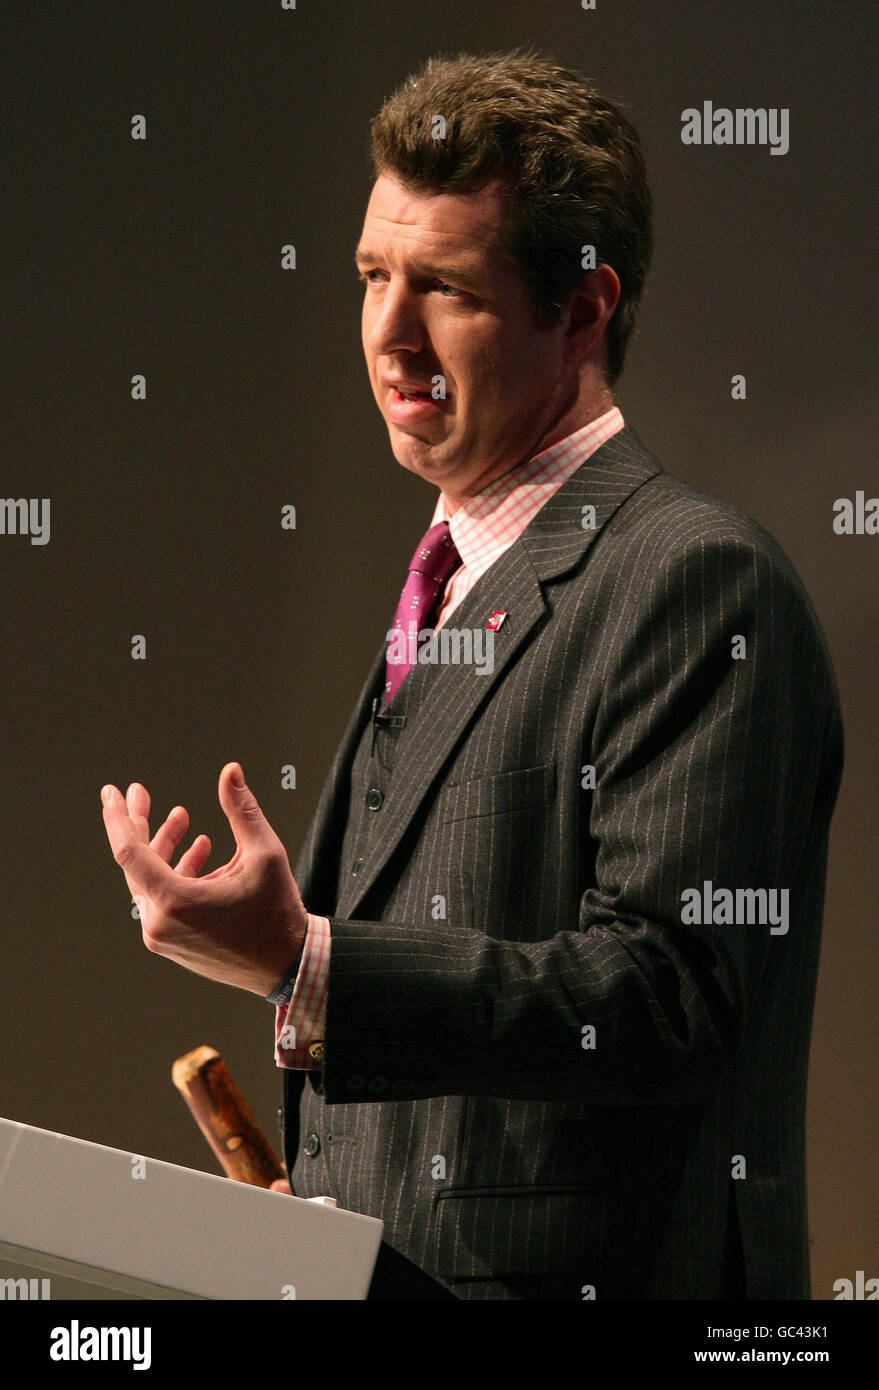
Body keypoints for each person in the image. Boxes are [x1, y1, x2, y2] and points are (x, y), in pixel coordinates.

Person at [101, 49, 843, 1300]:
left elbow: (670, 997)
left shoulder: (695, 579)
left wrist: (308, 963)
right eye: (372, 275)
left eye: (444, 287)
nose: (389, 333)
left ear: (583, 311)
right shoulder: (450, 577)